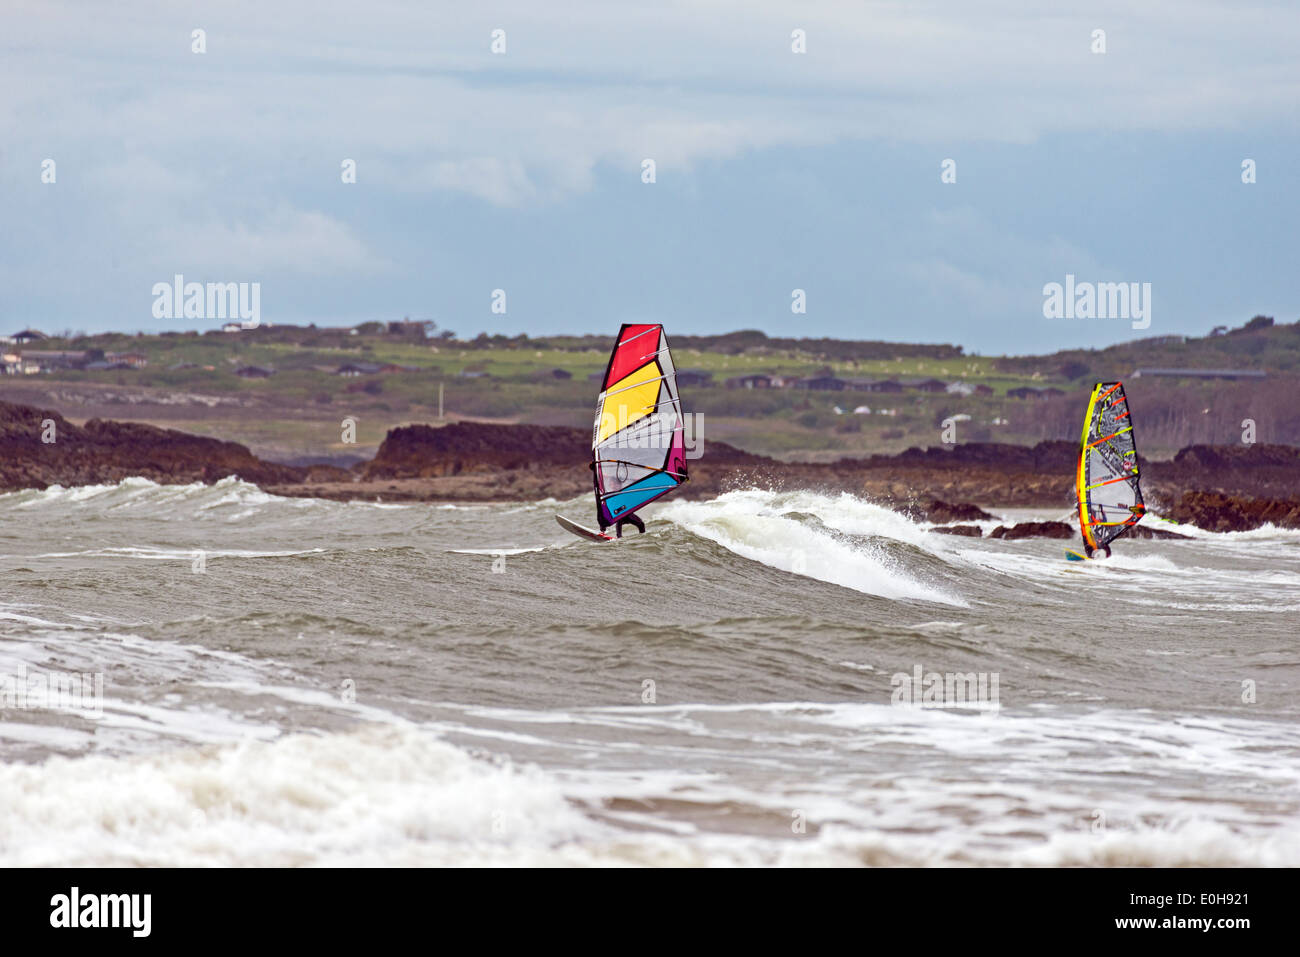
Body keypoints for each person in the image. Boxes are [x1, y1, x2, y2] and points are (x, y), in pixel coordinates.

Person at [591, 460, 646, 538]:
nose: (613, 485)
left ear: (619, 485)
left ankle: (643, 537)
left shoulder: (623, 492)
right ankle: (610, 534)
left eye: (615, 484)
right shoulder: (609, 495)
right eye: (612, 484)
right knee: (613, 517)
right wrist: (594, 470)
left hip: (628, 514)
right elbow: (598, 478)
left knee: (641, 524)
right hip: (618, 515)